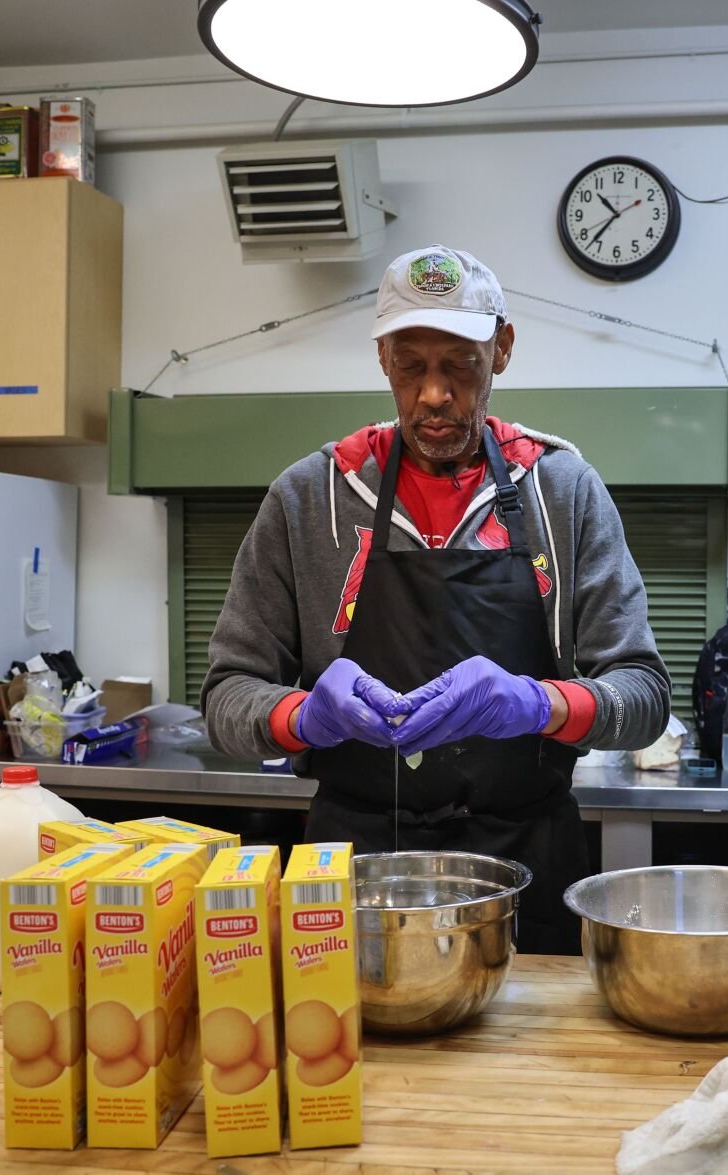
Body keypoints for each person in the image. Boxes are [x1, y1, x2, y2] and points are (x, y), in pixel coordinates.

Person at [203, 244, 671, 953]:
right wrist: (303, 716)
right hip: (353, 872)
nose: (433, 394)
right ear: (382, 359)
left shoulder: (562, 492)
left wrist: (536, 703)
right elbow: (226, 700)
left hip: (526, 867)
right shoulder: (310, 499)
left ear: (502, 350)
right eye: (410, 365)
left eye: (459, 364)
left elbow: (642, 698)